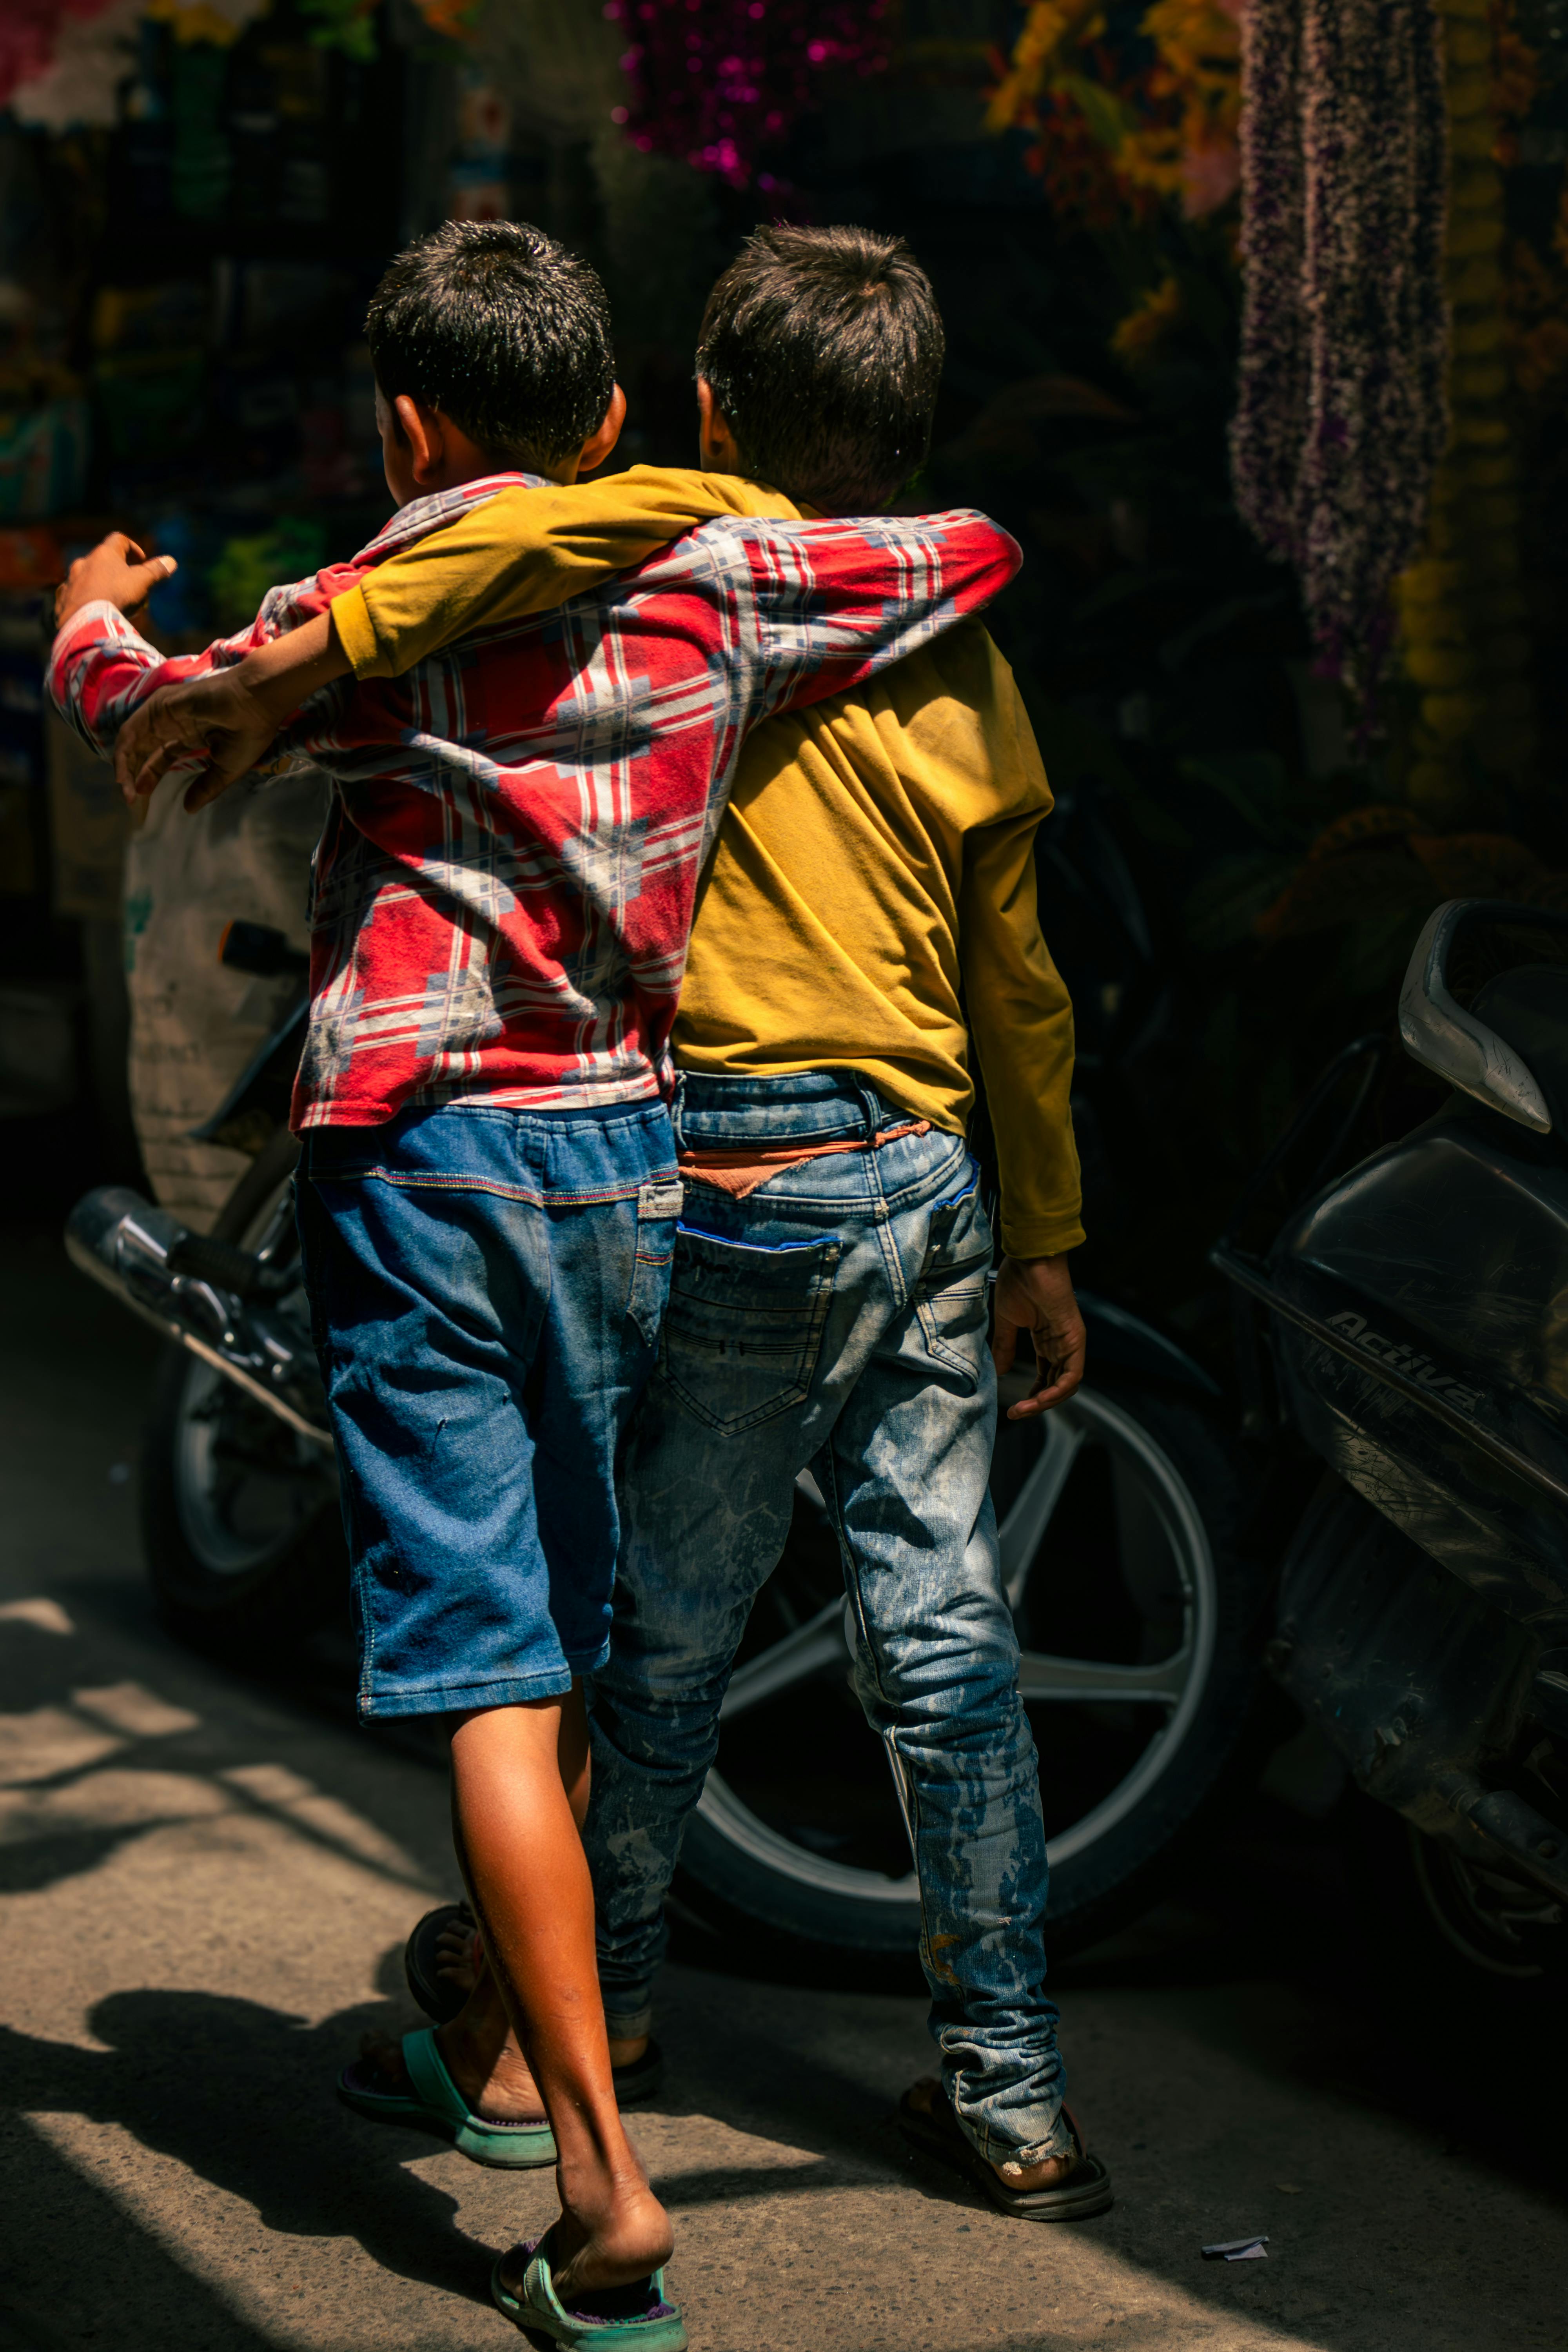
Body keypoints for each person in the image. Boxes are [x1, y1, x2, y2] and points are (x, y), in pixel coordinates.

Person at [49, 217, 1021, 2344]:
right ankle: (495, 2059)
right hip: (616, 1160)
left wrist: (78, 621)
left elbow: (160, 719)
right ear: (611, 413)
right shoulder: (728, 581)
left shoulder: (355, 621)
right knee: (560, 1646)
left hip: (416, 1157)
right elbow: (973, 548)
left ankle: (602, 2190)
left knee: (493, 1676)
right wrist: (656, 502)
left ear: (407, 425)